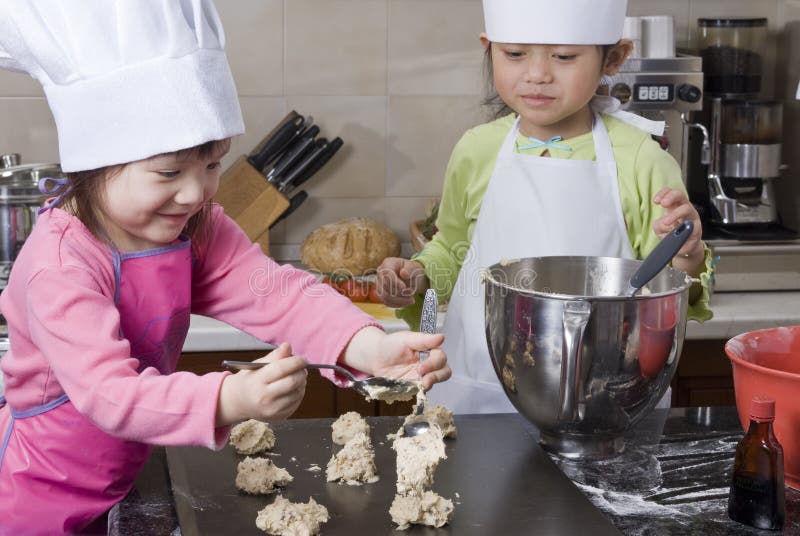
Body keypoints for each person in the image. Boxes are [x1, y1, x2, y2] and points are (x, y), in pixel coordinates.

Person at [0, 1, 450, 533]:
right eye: (168, 172)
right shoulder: (61, 265)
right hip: (39, 496)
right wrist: (227, 398)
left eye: (212, 164)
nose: (194, 192)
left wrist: (367, 346)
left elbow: (277, 293)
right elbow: (108, 394)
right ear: (94, 162)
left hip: (126, 477)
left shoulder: (196, 228)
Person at [377, 0, 713, 414]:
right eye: (514, 54)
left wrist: (688, 258)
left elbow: (665, 287)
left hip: (604, 400)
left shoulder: (642, 159)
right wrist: (420, 276)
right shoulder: (476, 149)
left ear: (614, 57)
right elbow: (455, 251)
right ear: (489, 47)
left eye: (564, 56)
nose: (537, 75)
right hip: (480, 395)